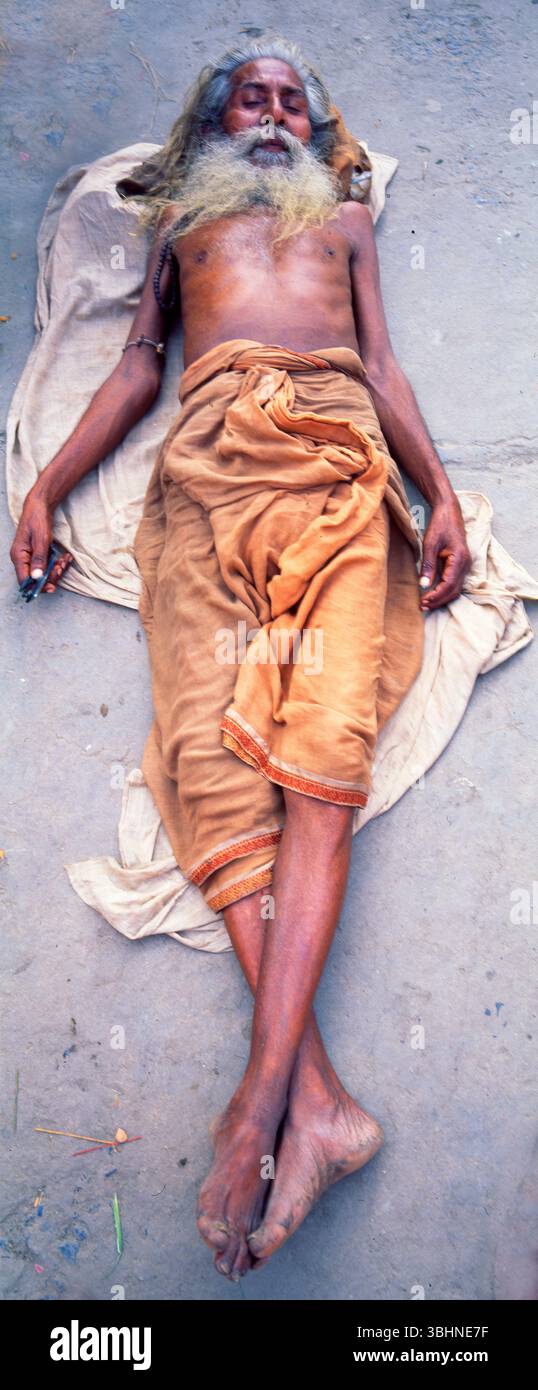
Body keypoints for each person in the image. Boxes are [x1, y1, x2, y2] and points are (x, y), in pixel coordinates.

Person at [9, 36, 471, 1283]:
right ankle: (316, 1102)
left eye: (287, 102)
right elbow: (135, 365)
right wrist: (46, 486)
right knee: (210, 774)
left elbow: (382, 369)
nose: (268, 114)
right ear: (209, 126)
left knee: (320, 757)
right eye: (245, 99)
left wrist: (440, 500)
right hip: (205, 482)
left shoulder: (349, 225)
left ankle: (260, 1107)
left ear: (316, 132)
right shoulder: (182, 234)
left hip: (329, 461)